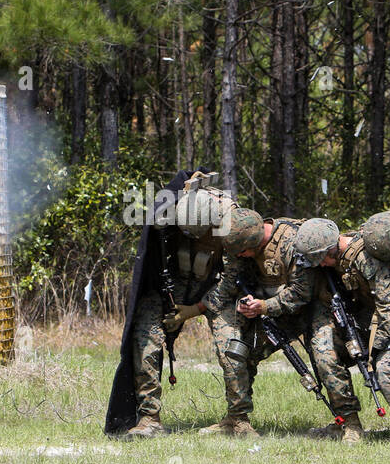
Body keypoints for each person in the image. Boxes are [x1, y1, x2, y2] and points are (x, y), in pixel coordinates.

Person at [173, 208, 363, 441]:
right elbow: (229, 283)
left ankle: (350, 423)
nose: (240, 257)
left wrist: (263, 307)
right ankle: (237, 420)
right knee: (240, 355)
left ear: (254, 242)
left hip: (313, 308)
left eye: (243, 253)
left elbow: (301, 294)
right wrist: (196, 310)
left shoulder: (294, 243)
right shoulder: (239, 244)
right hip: (274, 312)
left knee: (325, 357)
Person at [104, 171, 234, 438]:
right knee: (144, 335)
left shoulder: (231, 221)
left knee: (232, 343)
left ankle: (237, 418)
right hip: (172, 282)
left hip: (214, 287)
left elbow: (235, 280)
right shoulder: (170, 212)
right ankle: (149, 418)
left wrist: (196, 309)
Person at [293, 216, 390, 445]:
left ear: (331, 248)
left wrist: (374, 349)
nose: (321, 265)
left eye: (321, 259)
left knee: (384, 368)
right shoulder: (335, 262)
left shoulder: (364, 258)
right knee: (323, 354)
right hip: (364, 318)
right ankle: (348, 423)